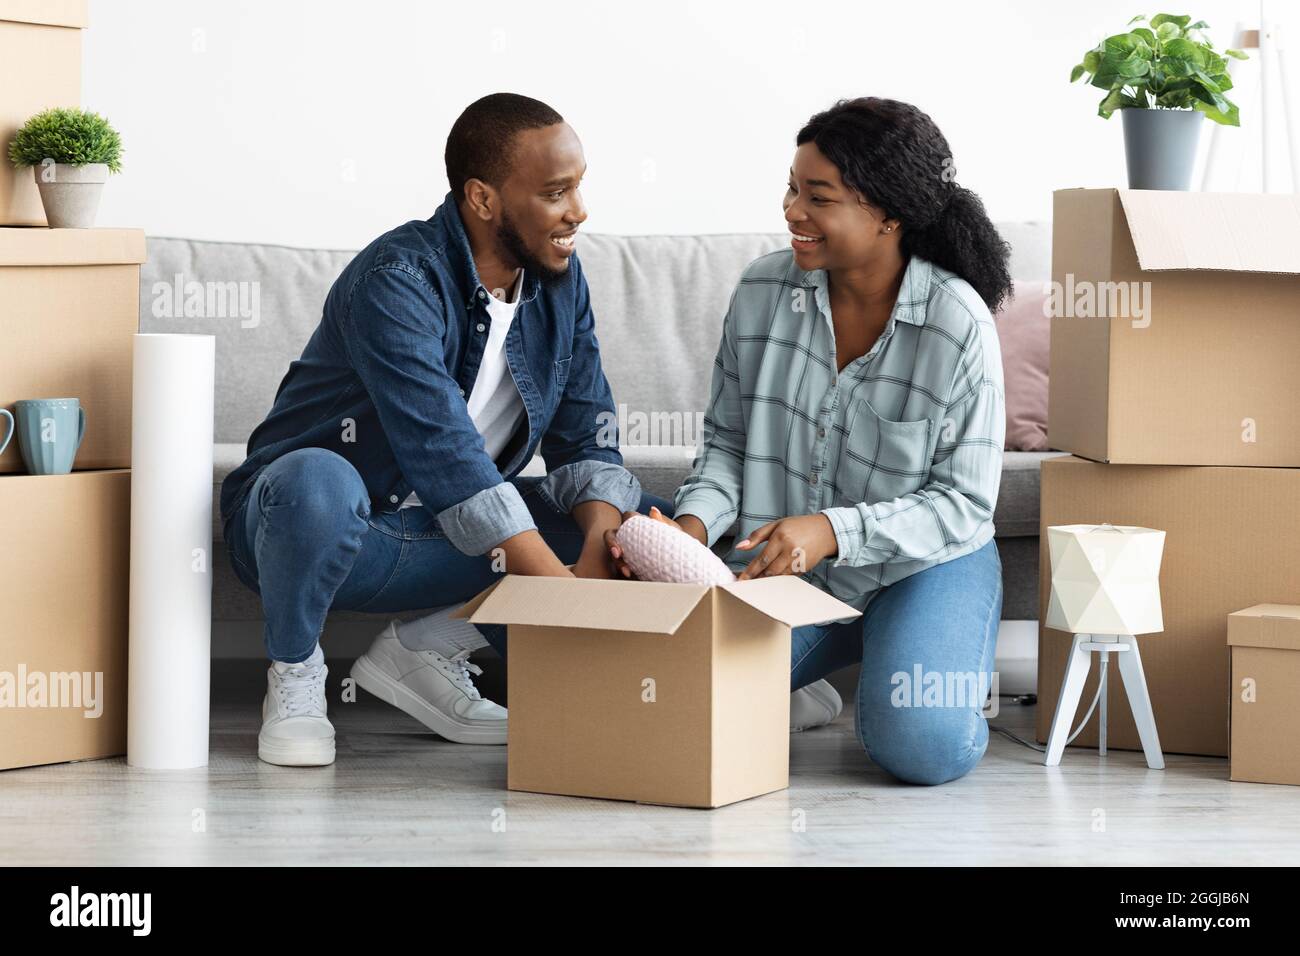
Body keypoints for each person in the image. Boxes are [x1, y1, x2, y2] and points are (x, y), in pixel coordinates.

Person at [221, 93, 668, 767]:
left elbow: (587, 434)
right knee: (317, 478)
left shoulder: (560, 279)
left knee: (630, 527)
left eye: (578, 187)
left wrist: (604, 550)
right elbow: (444, 450)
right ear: (482, 199)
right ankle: (295, 677)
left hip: (444, 542)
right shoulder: (397, 277)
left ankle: (427, 648)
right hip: (328, 532)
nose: (579, 211)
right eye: (555, 192)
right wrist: (560, 596)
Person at [609, 97, 1012, 785]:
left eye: (817, 197)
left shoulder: (956, 324)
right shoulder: (764, 291)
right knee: (657, 708)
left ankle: (913, 649)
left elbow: (963, 503)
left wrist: (831, 530)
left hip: (922, 566)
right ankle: (808, 681)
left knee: (920, 745)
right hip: (782, 570)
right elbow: (729, 443)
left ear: (889, 214)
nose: (792, 211)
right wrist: (691, 527)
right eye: (792, 188)